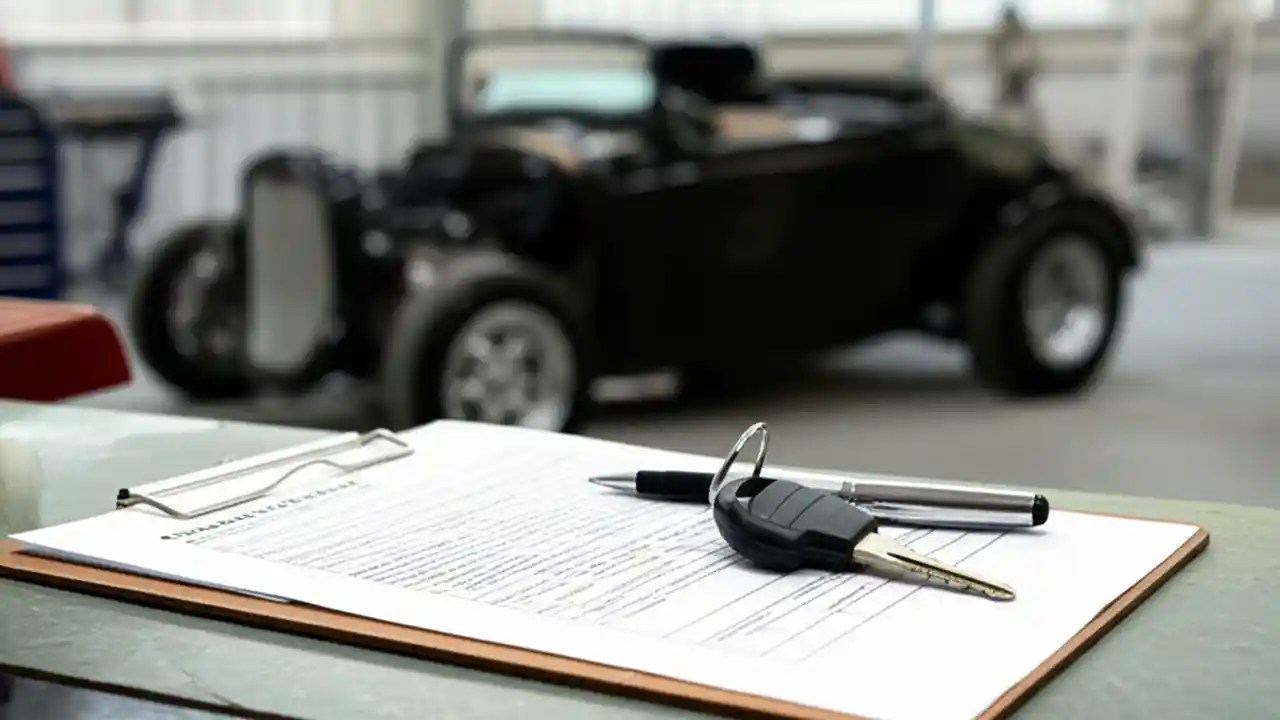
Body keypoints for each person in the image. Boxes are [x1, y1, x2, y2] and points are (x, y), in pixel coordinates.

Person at [988, 4, 1042, 134]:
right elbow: (996, 54)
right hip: (1013, 73)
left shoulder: (1019, 35)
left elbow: (1031, 56)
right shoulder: (1004, 36)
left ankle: (1027, 129)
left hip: (1018, 73)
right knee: (1008, 103)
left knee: (1018, 103)